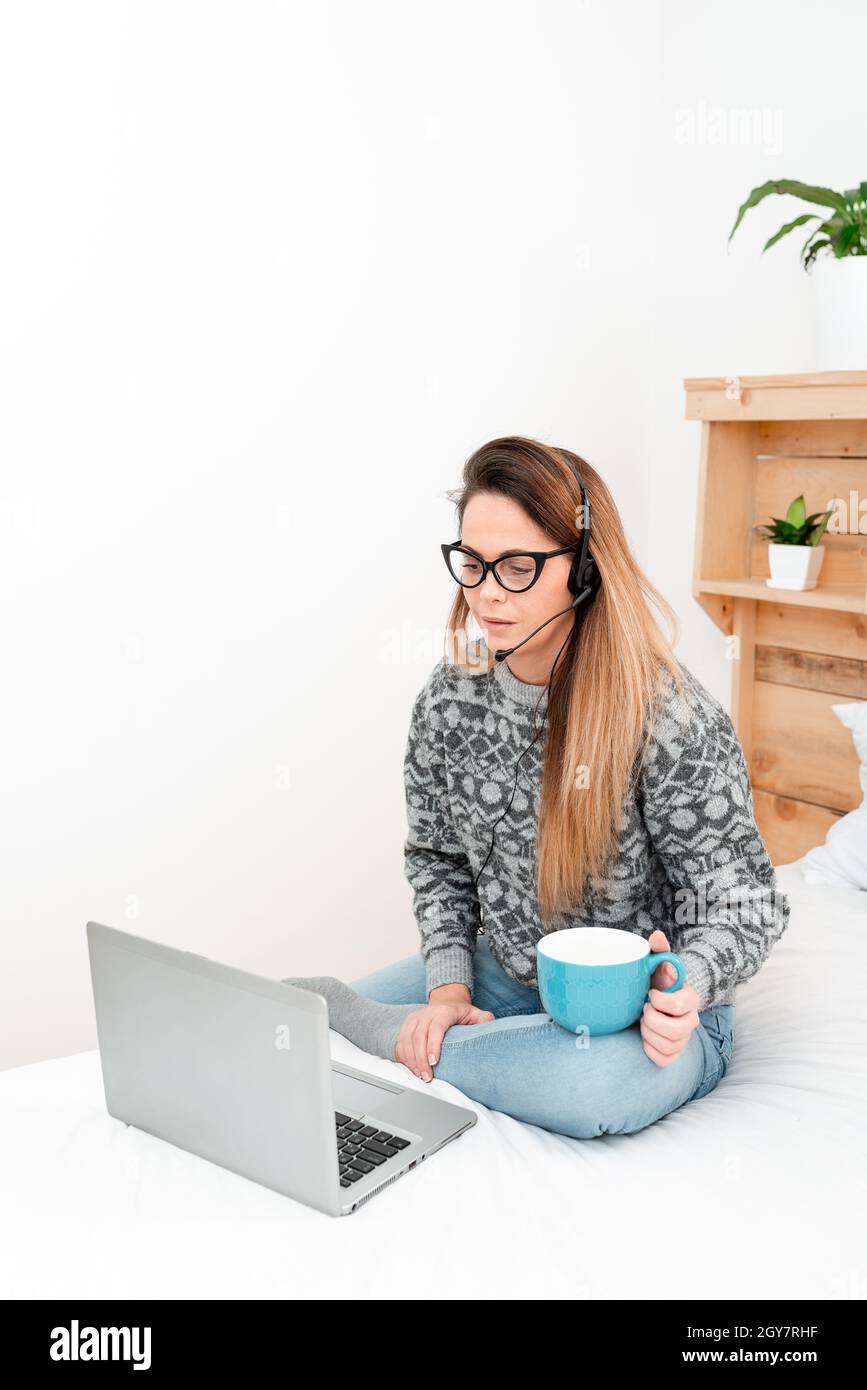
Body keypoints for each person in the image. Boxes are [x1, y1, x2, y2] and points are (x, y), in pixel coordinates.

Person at [283, 436, 790, 1140]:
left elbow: (743, 903)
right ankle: (435, 1042)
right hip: (511, 975)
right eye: (472, 563)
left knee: (586, 1086)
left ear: (583, 570)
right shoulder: (448, 699)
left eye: (517, 567)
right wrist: (450, 992)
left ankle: (383, 1042)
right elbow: (437, 860)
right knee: (286, 1031)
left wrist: (689, 984)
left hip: (650, 1016)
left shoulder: (671, 717)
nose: (486, 592)